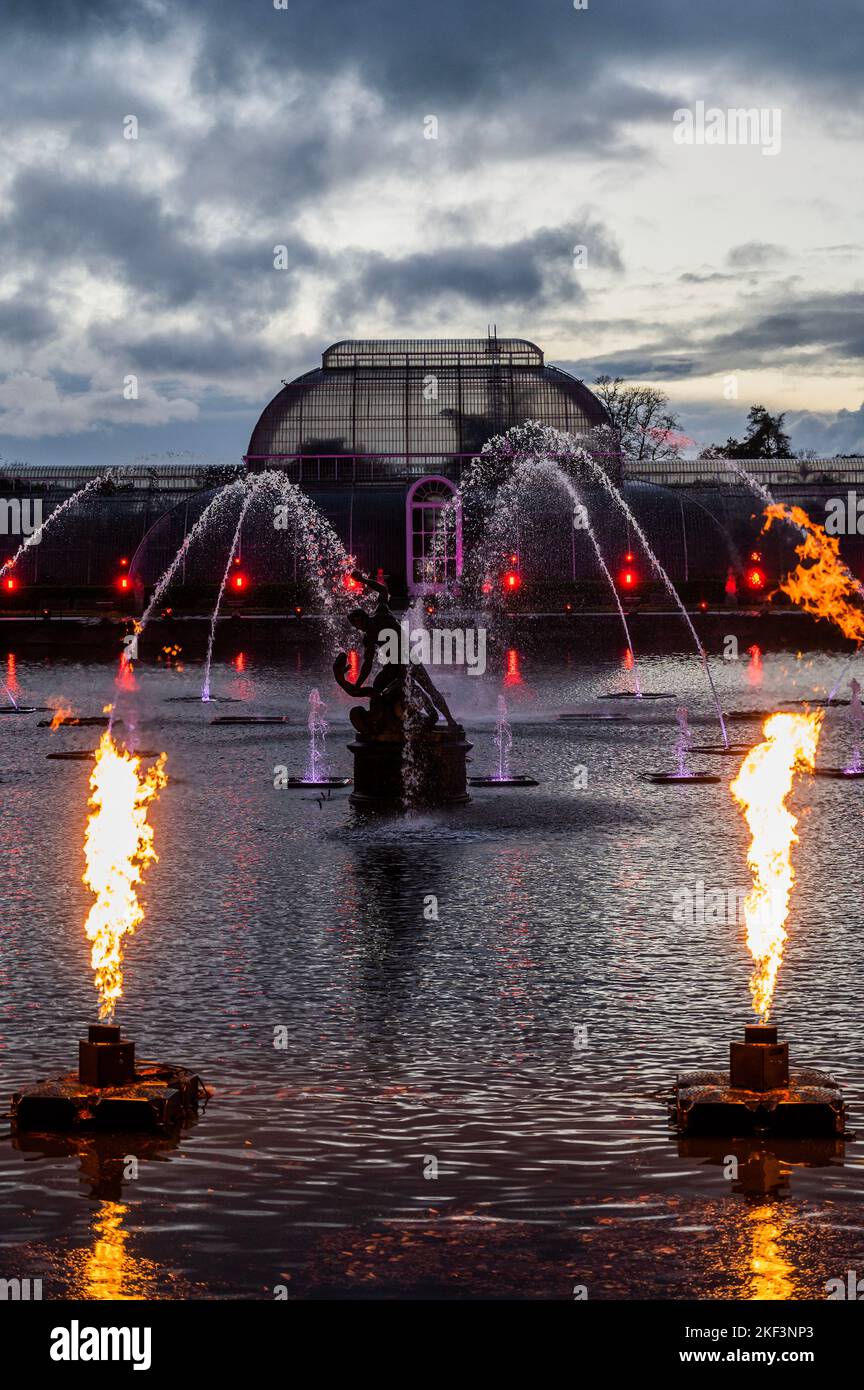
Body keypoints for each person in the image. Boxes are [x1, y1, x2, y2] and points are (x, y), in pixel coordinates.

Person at [336, 570, 459, 730]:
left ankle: (449, 720)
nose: (356, 627)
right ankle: (383, 718)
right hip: (392, 666)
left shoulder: (381, 613)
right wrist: (358, 684)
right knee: (379, 686)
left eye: (355, 623)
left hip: (408, 660)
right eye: (353, 624)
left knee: (428, 688)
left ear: (361, 617)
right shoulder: (369, 637)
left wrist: (363, 580)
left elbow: (383, 590)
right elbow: (367, 663)